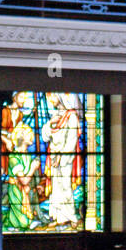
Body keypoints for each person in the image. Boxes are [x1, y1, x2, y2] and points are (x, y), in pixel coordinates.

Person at [42, 92, 83, 228]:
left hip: (65, 158)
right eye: (49, 98)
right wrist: (49, 123)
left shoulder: (71, 116)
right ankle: (59, 218)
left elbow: (72, 140)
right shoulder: (56, 116)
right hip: (54, 156)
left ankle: (72, 217)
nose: (50, 100)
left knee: (65, 186)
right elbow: (45, 137)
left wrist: (62, 156)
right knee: (56, 187)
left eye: (52, 97)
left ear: (59, 97)